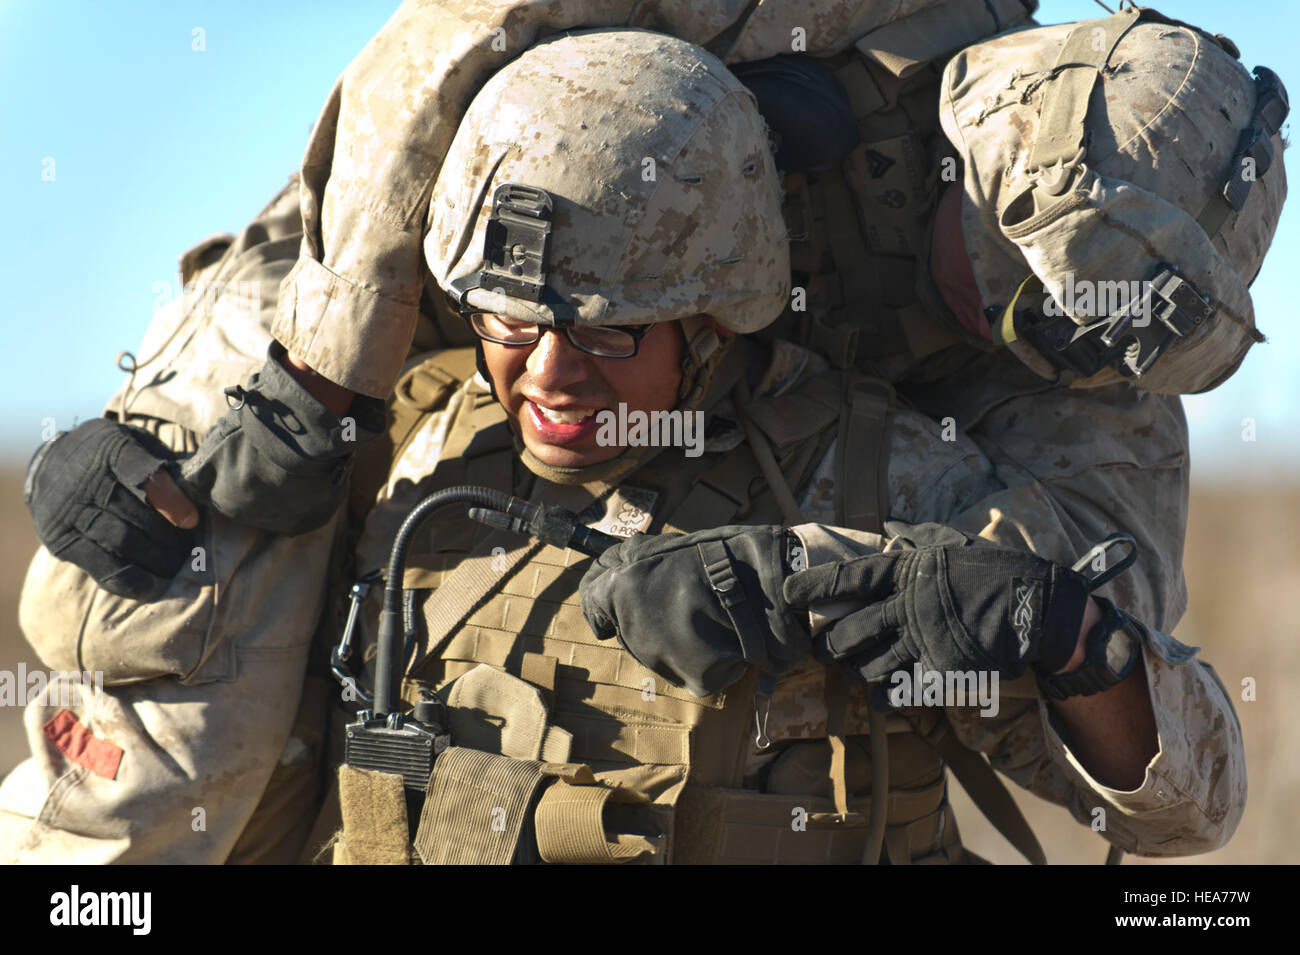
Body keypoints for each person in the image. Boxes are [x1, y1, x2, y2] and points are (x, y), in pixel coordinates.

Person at [3, 21, 1260, 864]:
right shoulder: (424, 418)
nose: (552, 371)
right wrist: (181, 418)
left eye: (614, 336)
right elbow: (371, 180)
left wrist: (1024, 625)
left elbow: (1174, 773)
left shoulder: (962, 454)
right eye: (518, 327)